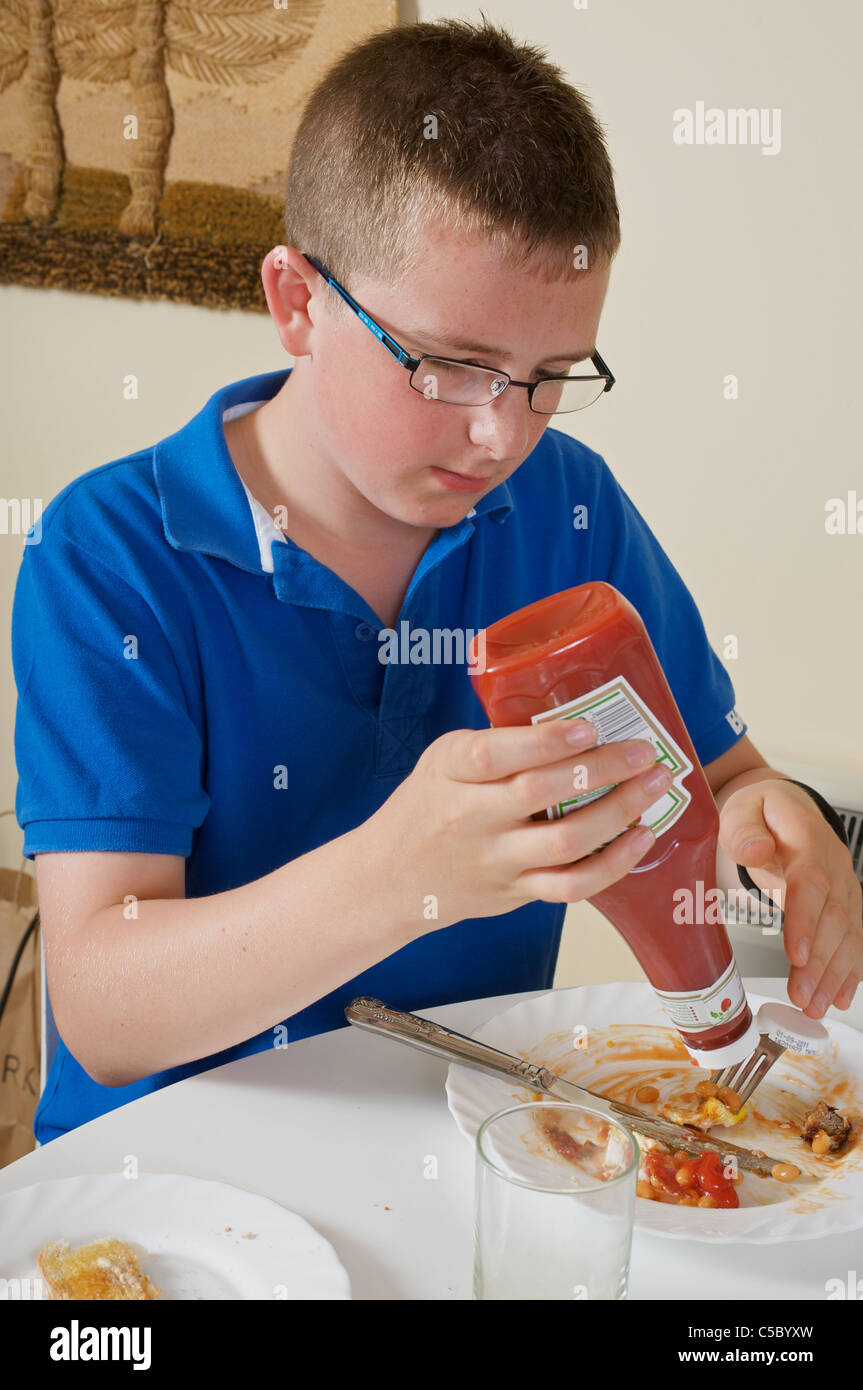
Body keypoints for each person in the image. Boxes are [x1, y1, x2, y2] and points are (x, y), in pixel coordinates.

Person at [12, 18, 860, 1145]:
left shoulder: (568, 506)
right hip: (179, 1190)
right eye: (450, 365)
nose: (498, 431)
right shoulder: (109, 555)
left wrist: (771, 816)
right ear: (297, 302)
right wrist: (398, 873)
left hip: (468, 1145)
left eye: (549, 374)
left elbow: (723, 773)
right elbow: (103, 1007)